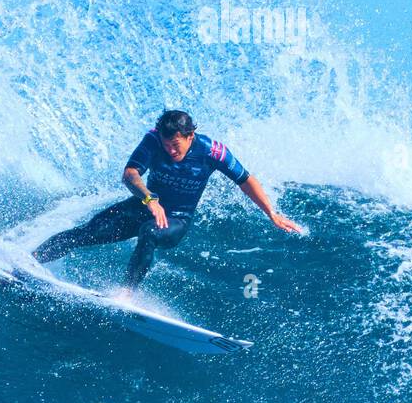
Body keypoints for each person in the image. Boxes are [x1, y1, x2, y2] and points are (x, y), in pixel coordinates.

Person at [33, 110, 302, 292]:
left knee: (150, 233)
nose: (170, 150)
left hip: (176, 219)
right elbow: (130, 174)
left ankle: (126, 295)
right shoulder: (153, 140)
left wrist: (271, 213)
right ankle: (30, 262)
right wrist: (149, 199)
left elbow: (245, 179)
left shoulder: (212, 151)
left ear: (190, 137)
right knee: (85, 233)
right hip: (144, 206)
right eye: (166, 145)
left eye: (176, 145)